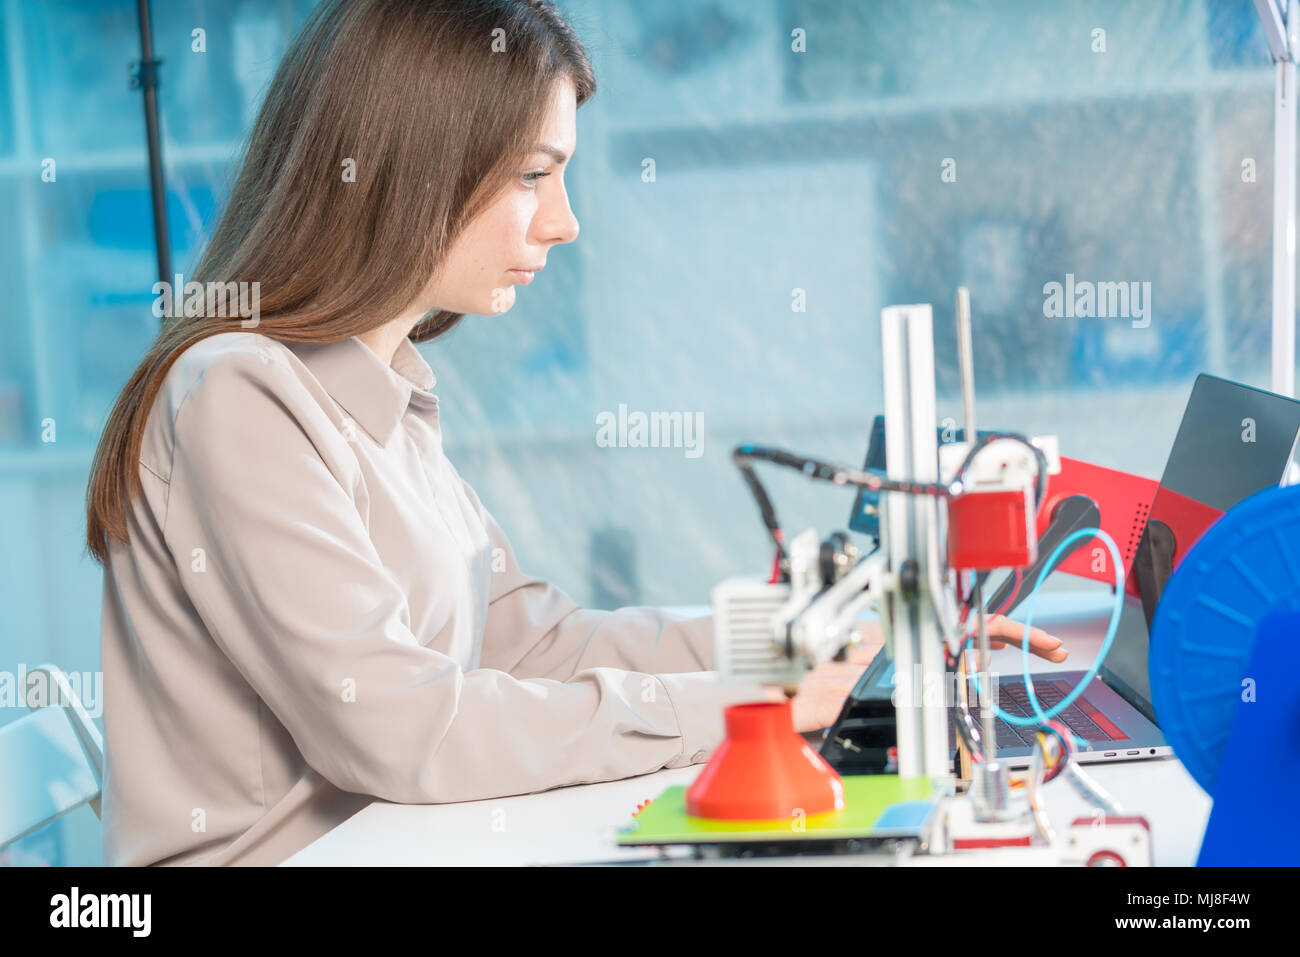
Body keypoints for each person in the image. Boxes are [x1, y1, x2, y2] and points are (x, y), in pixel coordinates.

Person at [84, 0, 1065, 867]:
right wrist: (745, 703)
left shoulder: (386, 395)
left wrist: (817, 643)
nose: (562, 224)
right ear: (413, 166)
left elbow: (527, 640)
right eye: (531, 177)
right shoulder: (238, 393)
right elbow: (397, 730)